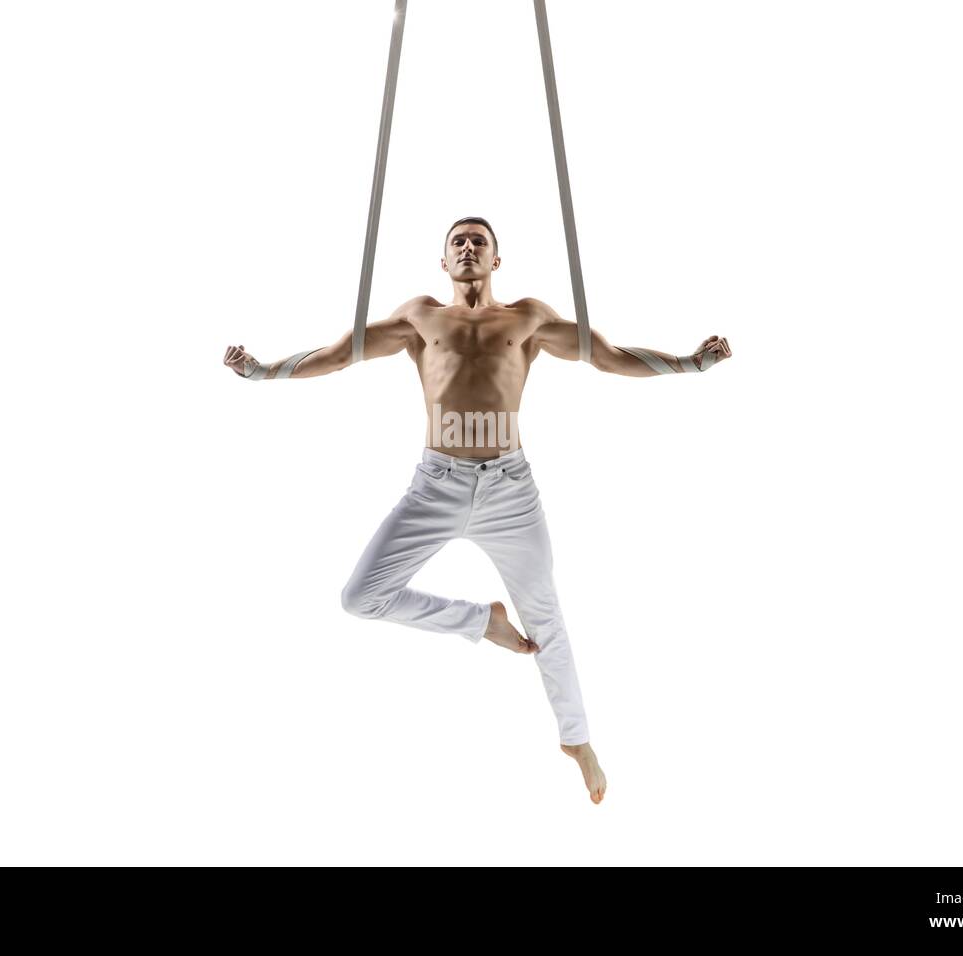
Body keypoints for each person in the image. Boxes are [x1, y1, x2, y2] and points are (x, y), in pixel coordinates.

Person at [224, 216, 731, 804]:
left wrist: (689, 363)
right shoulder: (420, 317)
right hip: (435, 485)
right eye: (457, 242)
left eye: (478, 242)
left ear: (495, 260)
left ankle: (578, 741)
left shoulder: (527, 318)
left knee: (546, 619)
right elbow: (338, 355)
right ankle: (480, 622)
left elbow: (610, 357)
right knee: (360, 597)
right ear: (444, 262)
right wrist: (263, 371)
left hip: (510, 492)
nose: (468, 247)